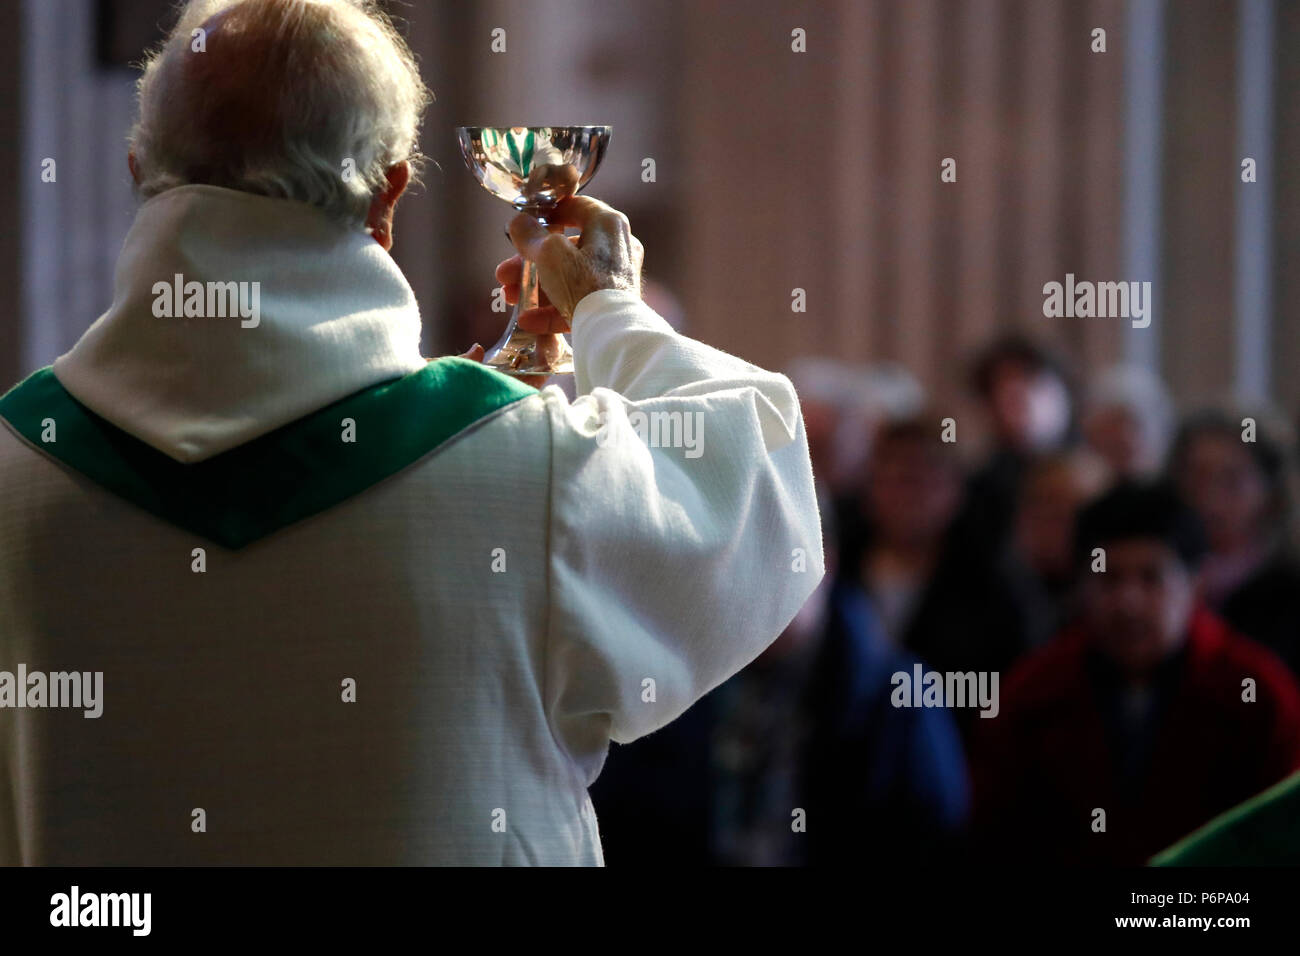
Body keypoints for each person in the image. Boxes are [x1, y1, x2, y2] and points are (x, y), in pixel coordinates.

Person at [0, 0, 823, 864]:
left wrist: (470, 422)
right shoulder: (524, 467)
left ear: (138, 172)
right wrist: (608, 309)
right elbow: (760, 483)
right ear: (389, 193)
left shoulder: (17, 470)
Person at [971, 482, 1300, 864]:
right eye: (1109, 579)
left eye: (1151, 578)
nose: (1128, 602)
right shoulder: (1032, 692)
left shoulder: (1257, 692)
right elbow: (993, 835)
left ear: (1195, 583)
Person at [1169, 408, 1300, 677]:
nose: (1209, 497)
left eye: (1232, 480)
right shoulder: (1156, 575)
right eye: (1196, 477)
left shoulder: (1289, 587)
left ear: (1271, 493)